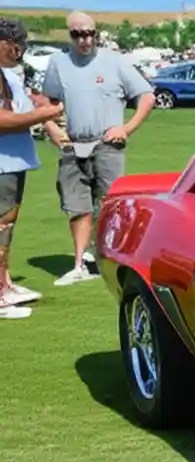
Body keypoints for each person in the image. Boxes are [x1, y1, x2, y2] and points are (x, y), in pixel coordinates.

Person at [41, 11, 154, 287]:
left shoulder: (115, 62)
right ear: (70, 35)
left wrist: (126, 128)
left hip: (107, 145)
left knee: (111, 205)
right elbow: (47, 102)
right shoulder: (58, 63)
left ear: (97, 33)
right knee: (77, 206)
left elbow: (147, 96)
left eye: (90, 33)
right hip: (73, 144)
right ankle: (79, 264)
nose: (85, 39)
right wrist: (52, 128)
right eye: (78, 34)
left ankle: (108, 258)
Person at [0, 18, 63, 319]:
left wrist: (48, 119)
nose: (19, 50)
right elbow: (2, 121)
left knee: (7, 227)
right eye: (15, 44)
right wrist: (45, 114)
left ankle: (4, 283)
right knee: (0, 227)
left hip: (12, 162)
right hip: (1, 164)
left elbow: (22, 105)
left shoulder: (8, 73)